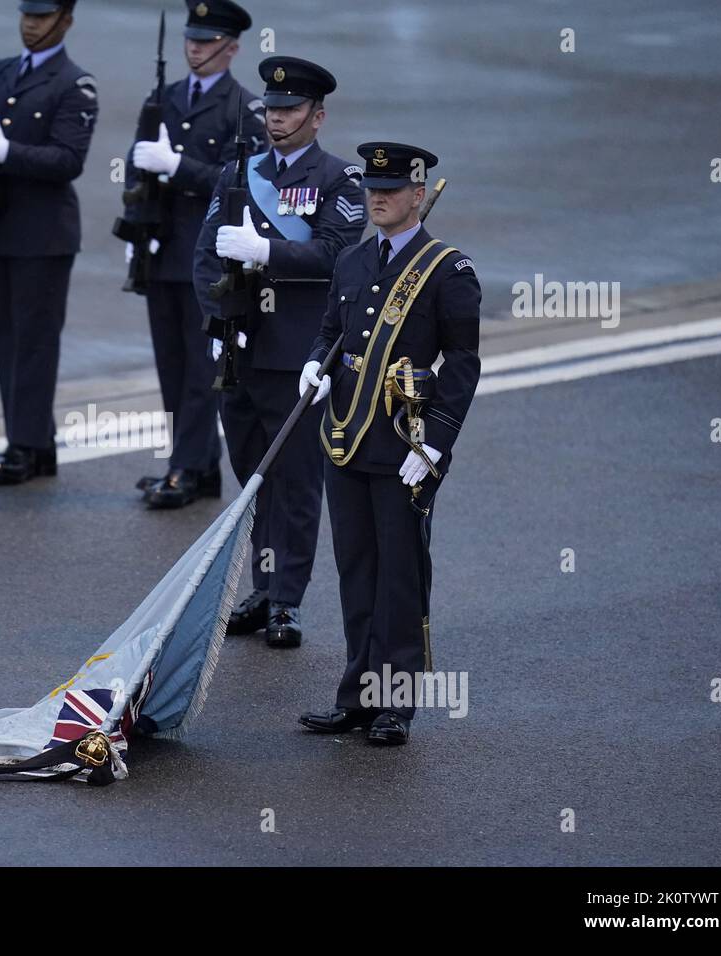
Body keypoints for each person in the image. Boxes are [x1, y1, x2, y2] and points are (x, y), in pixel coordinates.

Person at [298, 142, 481, 746]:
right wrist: (314, 366)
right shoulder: (352, 261)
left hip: (406, 445)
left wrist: (435, 447)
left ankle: (393, 703)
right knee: (356, 572)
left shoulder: (447, 271)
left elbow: (461, 364)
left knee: (400, 575)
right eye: (373, 189)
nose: (379, 198)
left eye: (393, 190)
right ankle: (355, 696)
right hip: (347, 440)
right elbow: (333, 331)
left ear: (419, 196)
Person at [193, 55, 365, 647]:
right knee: (251, 477)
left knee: (293, 482)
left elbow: (338, 254)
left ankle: (286, 600)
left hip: (296, 356)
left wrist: (266, 252)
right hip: (241, 349)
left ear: (317, 117)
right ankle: (263, 587)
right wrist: (219, 321)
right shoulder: (239, 171)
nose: (277, 118)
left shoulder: (341, 180)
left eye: (291, 109)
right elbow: (206, 255)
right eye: (272, 108)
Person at [124, 0, 263, 510]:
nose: (194, 49)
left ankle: (186, 468)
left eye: (205, 42)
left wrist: (176, 166)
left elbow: (238, 184)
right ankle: (196, 466)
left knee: (201, 369)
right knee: (170, 361)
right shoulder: (162, 97)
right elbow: (137, 168)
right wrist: (134, 233)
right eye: (191, 40)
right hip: (160, 249)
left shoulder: (243, 109)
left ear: (231, 47)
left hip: (207, 255)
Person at [0, 0, 97, 485]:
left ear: (65, 21)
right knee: (6, 338)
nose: (30, 25)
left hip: (43, 234)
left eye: (40, 18)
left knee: (34, 344)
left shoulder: (75, 84)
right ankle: (30, 443)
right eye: (26, 16)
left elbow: (67, 160)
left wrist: (6, 152)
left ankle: (25, 447)